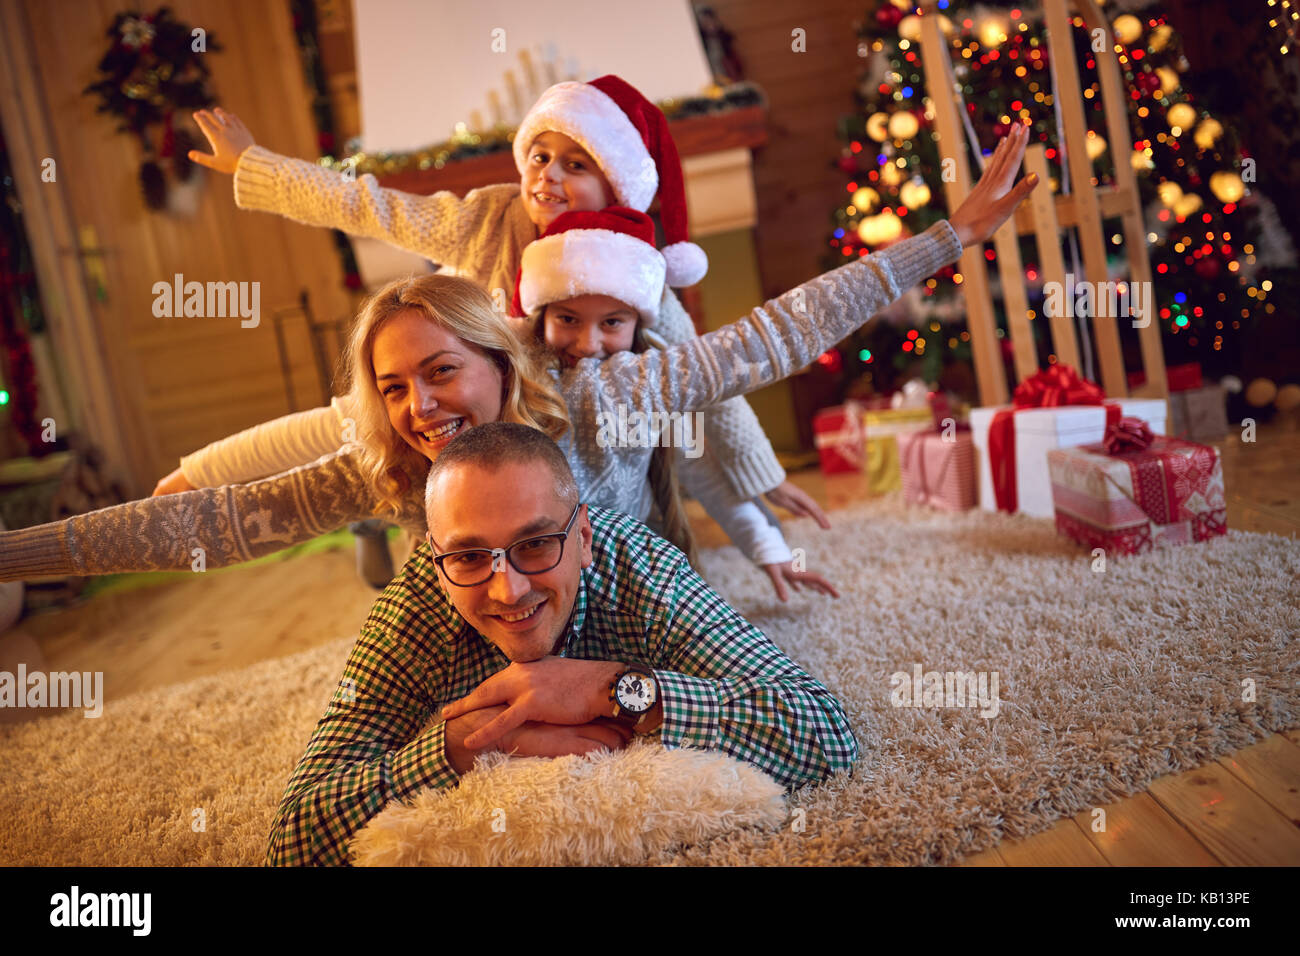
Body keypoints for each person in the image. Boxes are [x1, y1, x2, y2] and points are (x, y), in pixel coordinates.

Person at [0, 122, 1036, 584]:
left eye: (442, 372)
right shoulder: (403, 446)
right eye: (394, 386)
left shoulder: (598, 390)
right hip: (476, 597)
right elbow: (226, 520)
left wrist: (951, 236)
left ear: (506, 355)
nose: (418, 404)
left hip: (622, 579)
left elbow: (770, 335)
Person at [165, 75, 827, 527]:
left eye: (576, 164)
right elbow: (372, 207)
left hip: (562, 436)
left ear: (618, 185)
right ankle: (200, 474)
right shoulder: (487, 219)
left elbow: (708, 372)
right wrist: (257, 166)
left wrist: (761, 474)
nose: (548, 177)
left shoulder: (633, 266)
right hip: (467, 398)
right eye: (540, 156)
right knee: (353, 419)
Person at [265, 422, 859, 866]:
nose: (508, 589)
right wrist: (460, 747)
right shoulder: (409, 611)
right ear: (436, 563)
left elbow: (826, 733)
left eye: (536, 543)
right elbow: (292, 837)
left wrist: (615, 689)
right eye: (471, 557)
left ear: (584, 538)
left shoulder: (643, 569)